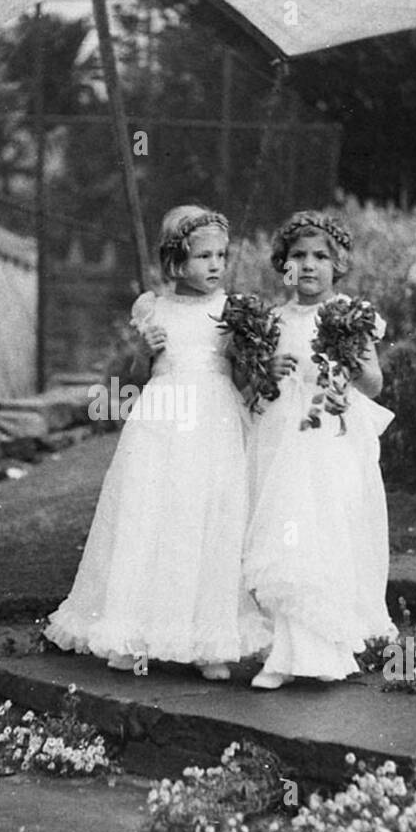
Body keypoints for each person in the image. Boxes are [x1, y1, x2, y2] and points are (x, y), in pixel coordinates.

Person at [44, 206, 258, 678]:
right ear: (176, 263)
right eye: (204, 256)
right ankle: (131, 631)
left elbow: (243, 377)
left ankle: (210, 641)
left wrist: (243, 356)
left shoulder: (230, 311)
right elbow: (136, 379)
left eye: (221, 255)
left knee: (208, 518)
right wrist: (145, 351)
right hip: (160, 420)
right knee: (150, 516)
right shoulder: (151, 308)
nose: (216, 265)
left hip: (213, 419)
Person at [240, 212, 397, 689]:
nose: (308, 266)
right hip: (281, 435)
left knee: (323, 537)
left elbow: (374, 383)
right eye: (298, 257)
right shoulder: (272, 321)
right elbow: (253, 390)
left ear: (338, 264)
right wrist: (267, 371)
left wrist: (347, 369)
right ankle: (283, 652)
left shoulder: (350, 315)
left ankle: (323, 647)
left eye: (320, 257)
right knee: (284, 538)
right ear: (282, 266)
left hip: (331, 439)